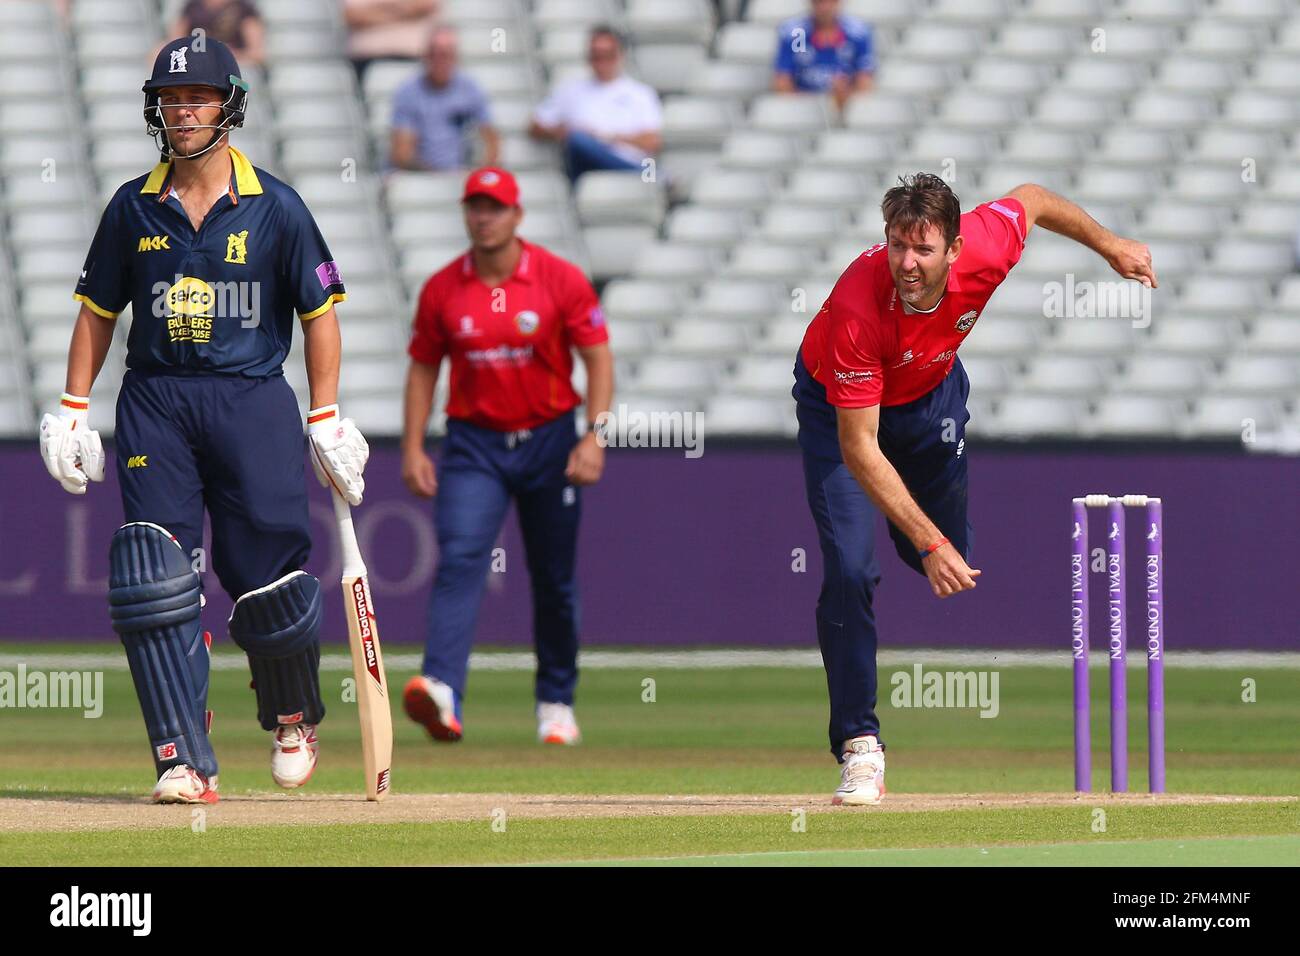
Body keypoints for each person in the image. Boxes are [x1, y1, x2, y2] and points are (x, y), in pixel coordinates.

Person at [39, 37, 365, 805]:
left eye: (199, 97)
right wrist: (73, 409)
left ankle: (291, 714)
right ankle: (181, 756)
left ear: (230, 105)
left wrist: (324, 416)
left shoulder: (276, 206)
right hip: (157, 402)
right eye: (171, 98)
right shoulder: (131, 206)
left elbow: (321, 315)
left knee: (271, 583)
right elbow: (96, 312)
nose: (182, 110)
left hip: (251, 399)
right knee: (153, 580)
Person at [792, 173, 1157, 806]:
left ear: (955, 250)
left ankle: (928, 537)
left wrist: (1110, 246)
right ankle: (859, 745)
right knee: (852, 568)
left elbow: (1036, 199)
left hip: (933, 397)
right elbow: (859, 447)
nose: (907, 263)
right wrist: (929, 541)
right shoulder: (858, 306)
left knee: (937, 546)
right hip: (840, 415)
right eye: (898, 246)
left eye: (923, 250)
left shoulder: (987, 244)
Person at [400, 167, 614, 746]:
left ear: (518, 215)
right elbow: (424, 367)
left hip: (549, 437)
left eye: (495, 207)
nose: (483, 217)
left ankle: (556, 701)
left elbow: (597, 356)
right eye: (474, 206)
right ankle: (442, 688)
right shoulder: (443, 288)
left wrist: (594, 435)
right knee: (461, 556)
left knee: (553, 576)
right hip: (474, 443)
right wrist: (414, 444)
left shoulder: (559, 279)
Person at [529, 25, 662, 183]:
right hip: (585, 168)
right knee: (578, 140)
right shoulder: (570, 90)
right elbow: (536, 126)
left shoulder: (640, 93)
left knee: (582, 140)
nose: (601, 61)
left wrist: (606, 138)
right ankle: (655, 178)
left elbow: (652, 141)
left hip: (624, 159)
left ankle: (641, 174)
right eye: (596, 55)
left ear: (620, 54)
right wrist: (562, 132)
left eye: (608, 55)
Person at [390, 26, 498, 172]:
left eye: (446, 54)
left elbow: (491, 141)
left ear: (456, 57)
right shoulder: (408, 92)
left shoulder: (471, 89)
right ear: (426, 56)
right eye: (435, 54)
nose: (440, 60)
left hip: (462, 176)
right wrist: (437, 179)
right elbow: (402, 153)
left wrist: (478, 174)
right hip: (422, 177)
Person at [773, 0, 874, 111]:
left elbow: (865, 82)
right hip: (802, 111)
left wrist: (845, 97)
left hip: (846, 109)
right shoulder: (794, 33)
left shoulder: (858, 33)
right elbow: (782, 81)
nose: (825, 8)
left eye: (830, 1)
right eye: (819, 2)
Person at [343, 0, 440, 78]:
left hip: (414, 58)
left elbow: (425, 5)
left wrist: (377, 10)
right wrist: (401, 10)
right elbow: (353, 16)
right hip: (366, 61)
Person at [169, 0, 265, 67]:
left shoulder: (244, 9)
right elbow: (174, 43)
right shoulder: (192, 7)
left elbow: (256, 53)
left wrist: (225, 55)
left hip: (234, 67)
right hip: (196, 65)